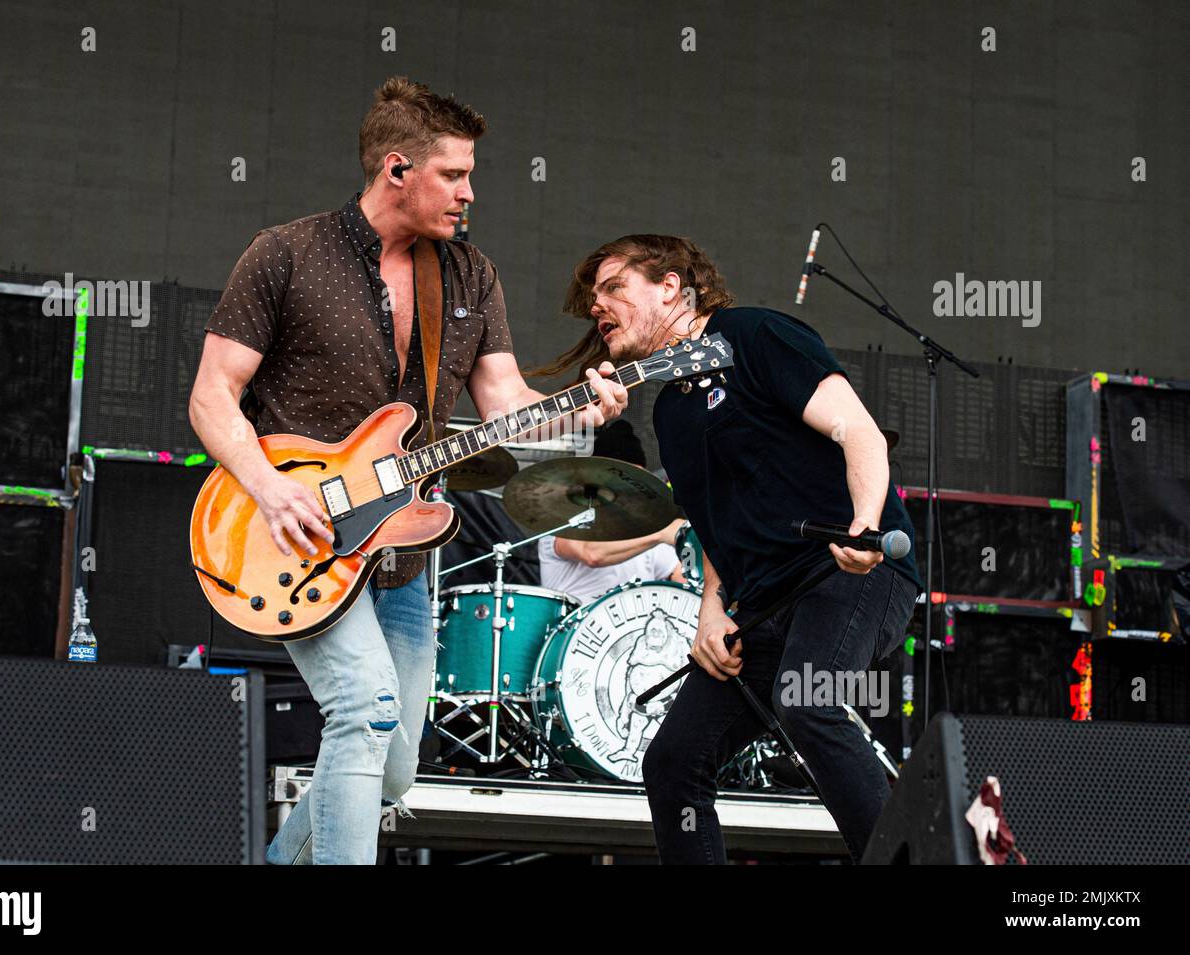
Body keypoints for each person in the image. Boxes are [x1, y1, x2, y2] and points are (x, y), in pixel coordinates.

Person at [188, 77, 627, 864]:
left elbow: (505, 404)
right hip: (297, 533)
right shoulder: (286, 253)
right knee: (364, 709)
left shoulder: (470, 275)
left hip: (401, 551)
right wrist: (270, 486)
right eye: (453, 175)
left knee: (391, 770)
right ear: (398, 169)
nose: (469, 193)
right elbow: (212, 395)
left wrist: (581, 410)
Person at [552, 233, 921, 863]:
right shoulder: (670, 411)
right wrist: (710, 610)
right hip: (762, 605)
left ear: (670, 286)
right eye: (595, 297)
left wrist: (864, 525)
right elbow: (714, 522)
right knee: (673, 763)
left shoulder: (754, 335)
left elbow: (859, 431)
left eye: (613, 287)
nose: (597, 306)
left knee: (809, 704)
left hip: (847, 571)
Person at [538, 420, 686, 605]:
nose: (632, 490)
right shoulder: (564, 519)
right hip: (577, 621)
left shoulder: (644, 531)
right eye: (624, 480)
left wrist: (696, 554)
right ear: (596, 479)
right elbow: (591, 554)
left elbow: (680, 575)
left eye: (638, 483)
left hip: (638, 623)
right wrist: (661, 533)